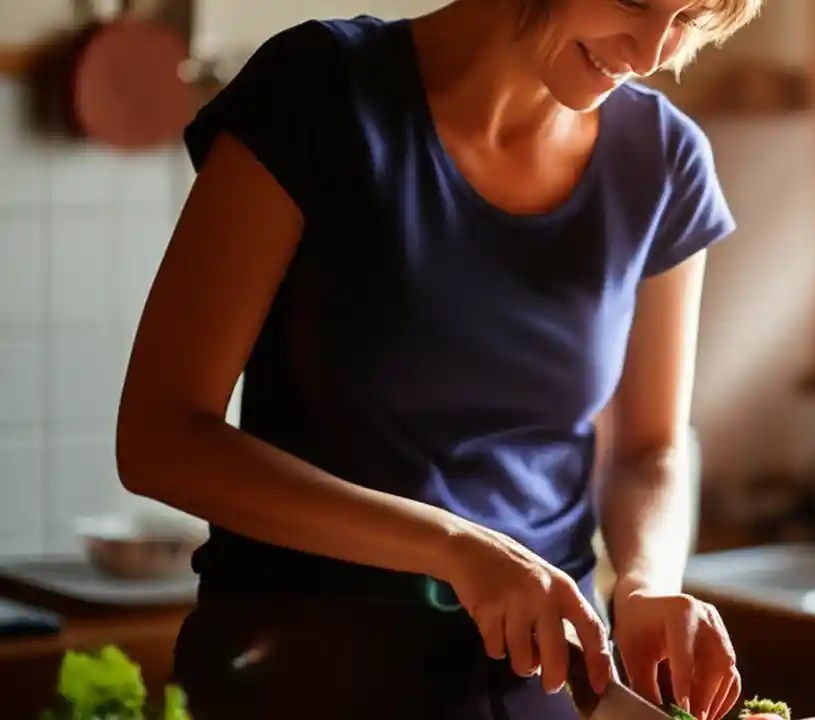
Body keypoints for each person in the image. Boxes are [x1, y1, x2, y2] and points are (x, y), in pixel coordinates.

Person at [115, 0, 761, 718]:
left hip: (541, 684)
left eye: (690, 21)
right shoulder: (319, 91)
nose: (649, 55)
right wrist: (454, 548)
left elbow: (652, 448)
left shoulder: (665, 162)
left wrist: (645, 581)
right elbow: (159, 437)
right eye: (636, 3)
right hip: (298, 671)